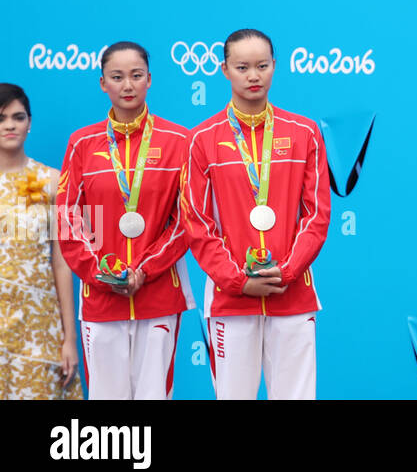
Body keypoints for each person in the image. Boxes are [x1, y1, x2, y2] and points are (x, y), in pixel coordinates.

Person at [182, 29, 330, 400]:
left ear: (275, 67)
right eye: (242, 66)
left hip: (293, 294)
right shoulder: (202, 139)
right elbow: (197, 223)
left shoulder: (304, 132)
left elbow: (317, 215)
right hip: (231, 298)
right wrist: (236, 280)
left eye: (262, 66)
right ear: (224, 70)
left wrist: (290, 269)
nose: (253, 75)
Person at [56, 43, 193, 399]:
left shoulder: (180, 140)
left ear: (150, 80)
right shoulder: (82, 143)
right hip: (101, 295)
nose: (127, 85)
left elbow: (187, 218)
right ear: (103, 83)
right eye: (117, 77)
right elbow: (68, 217)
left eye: (136, 76)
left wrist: (145, 270)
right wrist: (100, 272)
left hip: (160, 292)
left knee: (154, 395)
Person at [0, 84, 83, 400]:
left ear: (30, 122)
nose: (10, 125)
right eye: (1, 118)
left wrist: (69, 339)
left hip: (38, 327)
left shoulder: (47, 181)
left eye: (17, 117)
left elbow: (62, 262)